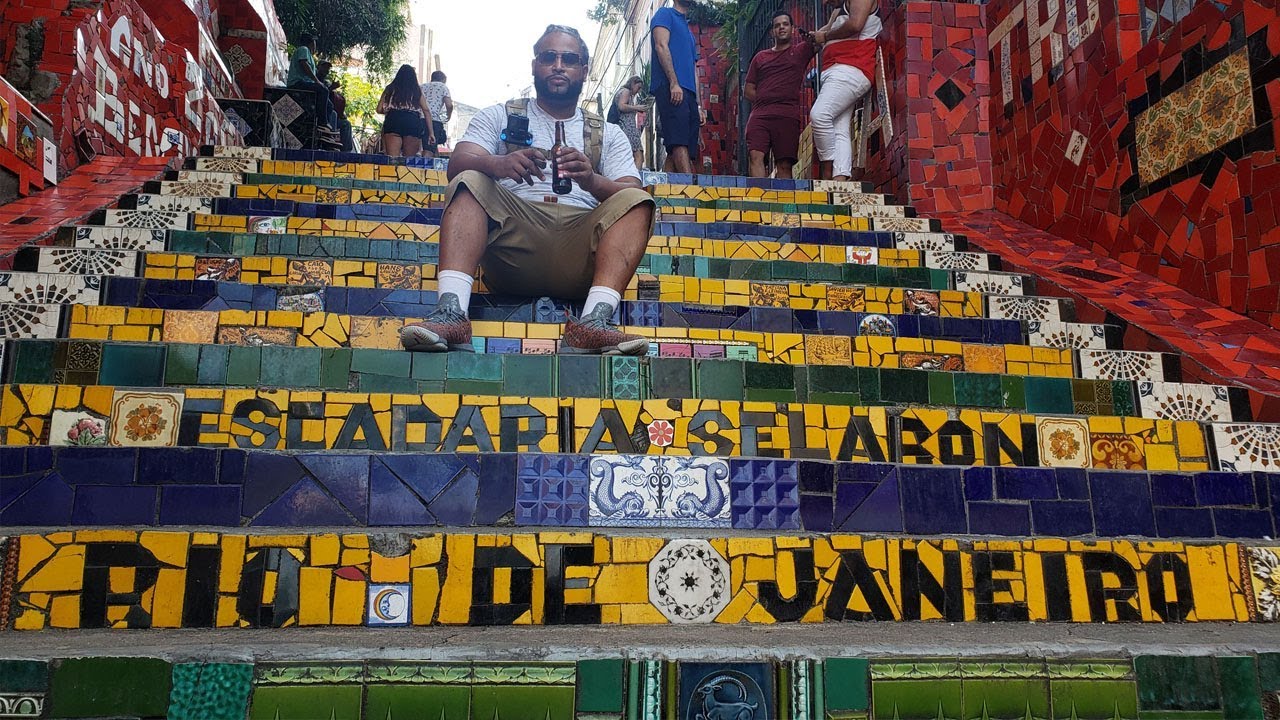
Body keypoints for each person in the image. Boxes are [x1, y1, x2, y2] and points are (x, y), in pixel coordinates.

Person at [400, 24, 654, 356]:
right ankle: (452, 313)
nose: (559, 65)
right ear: (535, 65)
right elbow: (456, 163)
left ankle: (594, 322)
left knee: (639, 200)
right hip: (512, 249)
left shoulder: (608, 133)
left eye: (569, 59)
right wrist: (498, 165)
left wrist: (591, 181)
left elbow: (630, 191)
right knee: (470, 178)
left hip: (581, 251)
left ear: (584, 70)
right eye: (549, 57)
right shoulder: (499, 115)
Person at [809, 0, 882, 181]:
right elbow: (825, 31)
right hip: (838, 71)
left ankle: (827, 171)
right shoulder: (837, 10)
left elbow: (856, 24)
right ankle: (840, 180)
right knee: (839, 128)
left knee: (819, 115)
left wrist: (824, 37)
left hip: (850, 68)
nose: (824, 2)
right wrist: (819, 35)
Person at [744, 12, 818, 178]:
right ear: (772, 32)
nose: (781, 27)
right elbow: (748, 90)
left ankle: (783, 204)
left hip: (787, 115)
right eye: (777, 25)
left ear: (792, 29)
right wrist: (766, 99)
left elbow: (823, 39)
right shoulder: (760, 57)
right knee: (755, 156)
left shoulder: (801, 51)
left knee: (784, 164)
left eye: (785, 24)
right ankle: (759, 201)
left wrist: (814, 36)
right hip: (760, 114)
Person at [650, 0, 703, 174]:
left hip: (688, 93)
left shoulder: (689, 33)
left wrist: (698, 105)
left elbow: (694, 69)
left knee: (680, 146)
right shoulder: (664, 14)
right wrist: (674, 82)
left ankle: (663, 195)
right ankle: (692, 195)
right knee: (679, 142)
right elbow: (661, 46)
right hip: (670, 87)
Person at [286, 33, 339, 141]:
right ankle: (322, 122)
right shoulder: (303, 49)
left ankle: (324, 132)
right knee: (322, 89)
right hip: (297, 83)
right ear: (311, 42)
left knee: (329, 105)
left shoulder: (309, 55)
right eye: (315, 43)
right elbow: (304, 65)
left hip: (304, 83)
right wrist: (316, 81)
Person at [377, 64, 435, 158]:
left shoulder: (390, 88)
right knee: (408, 160)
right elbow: (426, 110)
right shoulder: (416, 90)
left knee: (393, 160)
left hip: (393, 120)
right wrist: (431, 133)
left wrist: (389, 111)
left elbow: (379, 109)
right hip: (412, 122)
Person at [609, 75, 649, 170]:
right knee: (638, 154)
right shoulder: (626, 91)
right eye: (638, 87)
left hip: (624, 127)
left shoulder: (622, 92)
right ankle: (636, 176)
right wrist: (637, 108)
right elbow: (621, 106)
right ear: (632, 84)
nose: (638, 91)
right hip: (627, 128)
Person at [317, 61, 354, 152]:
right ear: (319, 67)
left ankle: (346, 152)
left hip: (330, 114)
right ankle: (330, 140)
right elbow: (321, 95)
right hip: (321, 114)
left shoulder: (326, 81)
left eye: (328, 69)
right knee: (333, 114)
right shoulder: (316, 79)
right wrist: (331, 88)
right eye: (324, 67)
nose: (327, 70)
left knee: (346, 124)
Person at [421, 70, 454, 158]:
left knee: (421, 148)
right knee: (429, 149)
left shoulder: (421, 86)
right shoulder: (443, 87)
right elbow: (449, 105)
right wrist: (448, 116)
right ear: (443, 80)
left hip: (418, 118)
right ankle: (426, 169)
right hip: (433, 120)